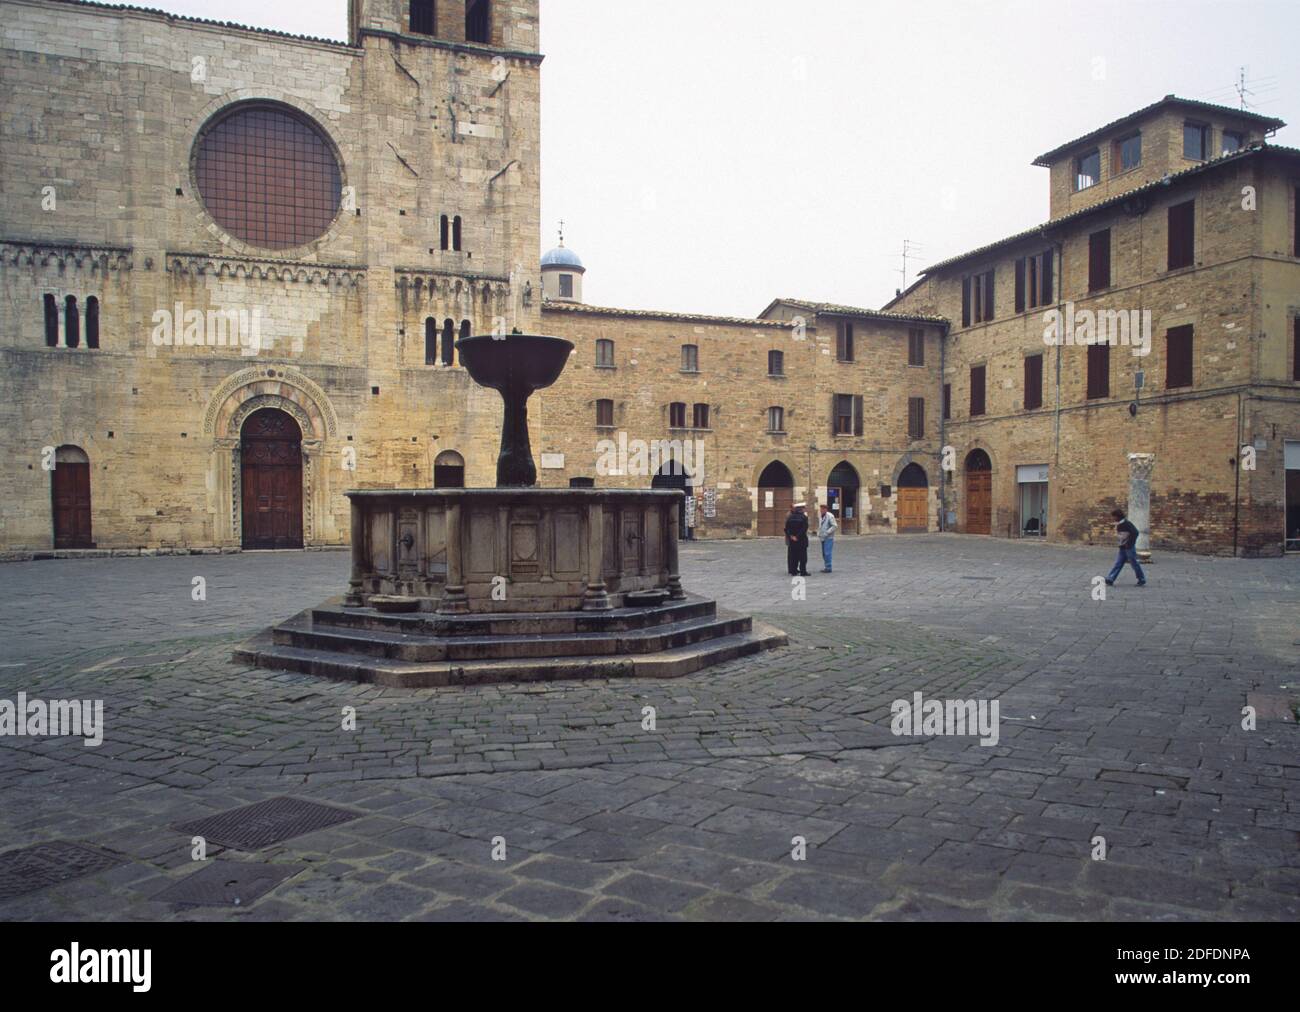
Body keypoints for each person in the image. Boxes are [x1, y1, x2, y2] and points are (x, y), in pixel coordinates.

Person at [1105, 508, 1147, 587]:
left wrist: (1130, 543)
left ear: (1118, 516)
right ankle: (1110, 578)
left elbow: (1135, 532)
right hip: (1122, 547)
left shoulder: (1127, 523)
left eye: (1114, 516)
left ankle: (1141, 579)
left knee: (1134, 563)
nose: (1113, 518)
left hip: (1129, 547)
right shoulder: (1119, 524)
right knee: (1118, 563)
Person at [785, 502, 810, 577]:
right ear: (801, 509)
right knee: (803, 557)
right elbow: (804, 529)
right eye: (803, 508)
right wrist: (797, 536)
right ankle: (803, 571)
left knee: (793, 556)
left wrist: (791, 536)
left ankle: (793, 571)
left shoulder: (790, 517)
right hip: (801, 540)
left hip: (792, 541)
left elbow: (786, 529)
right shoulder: (804, 517)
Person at [818, 503, 838, 573]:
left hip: (829, 537)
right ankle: (826, 566)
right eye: (820, 509)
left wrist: (827, 532)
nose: (821, 510)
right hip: (822, 537)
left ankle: (828, 567)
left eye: (822, 509)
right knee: (824, 553)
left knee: (827, 553)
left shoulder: (830, 516)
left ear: (825, 509)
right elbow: (820, 526)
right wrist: (819, 533)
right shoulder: (821, 516)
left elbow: (834, 526)